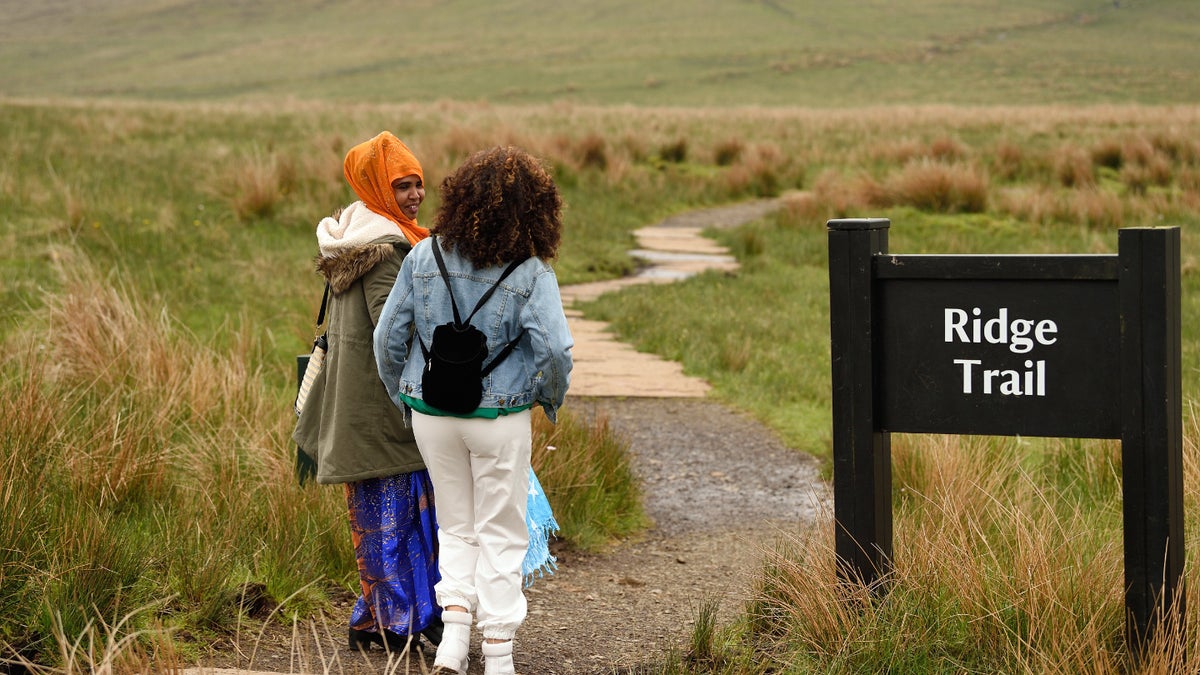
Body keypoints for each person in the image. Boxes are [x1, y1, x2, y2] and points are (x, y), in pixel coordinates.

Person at [374, 146, 573, 675]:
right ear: (535, 209)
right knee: (503, 529)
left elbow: (387, 339)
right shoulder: (530, 273)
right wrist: (543, 396)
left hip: (431, 415)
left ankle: (453, 645)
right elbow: (554, 351)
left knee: (455, 524)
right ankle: (500, 656)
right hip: (499, 420)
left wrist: (406, 395)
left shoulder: (424, 257)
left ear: (460, 198)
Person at [292, 131, 443, 654]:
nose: (415, 195)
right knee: (396, 516)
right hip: (383, 409)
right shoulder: (386, 250)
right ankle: (395, 620)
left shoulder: (355, 233)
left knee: (384, 515)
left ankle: (381, 618)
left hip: (357, 407)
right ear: (378, 187)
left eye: (418, 183)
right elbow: (392, 331)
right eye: (402, 186)